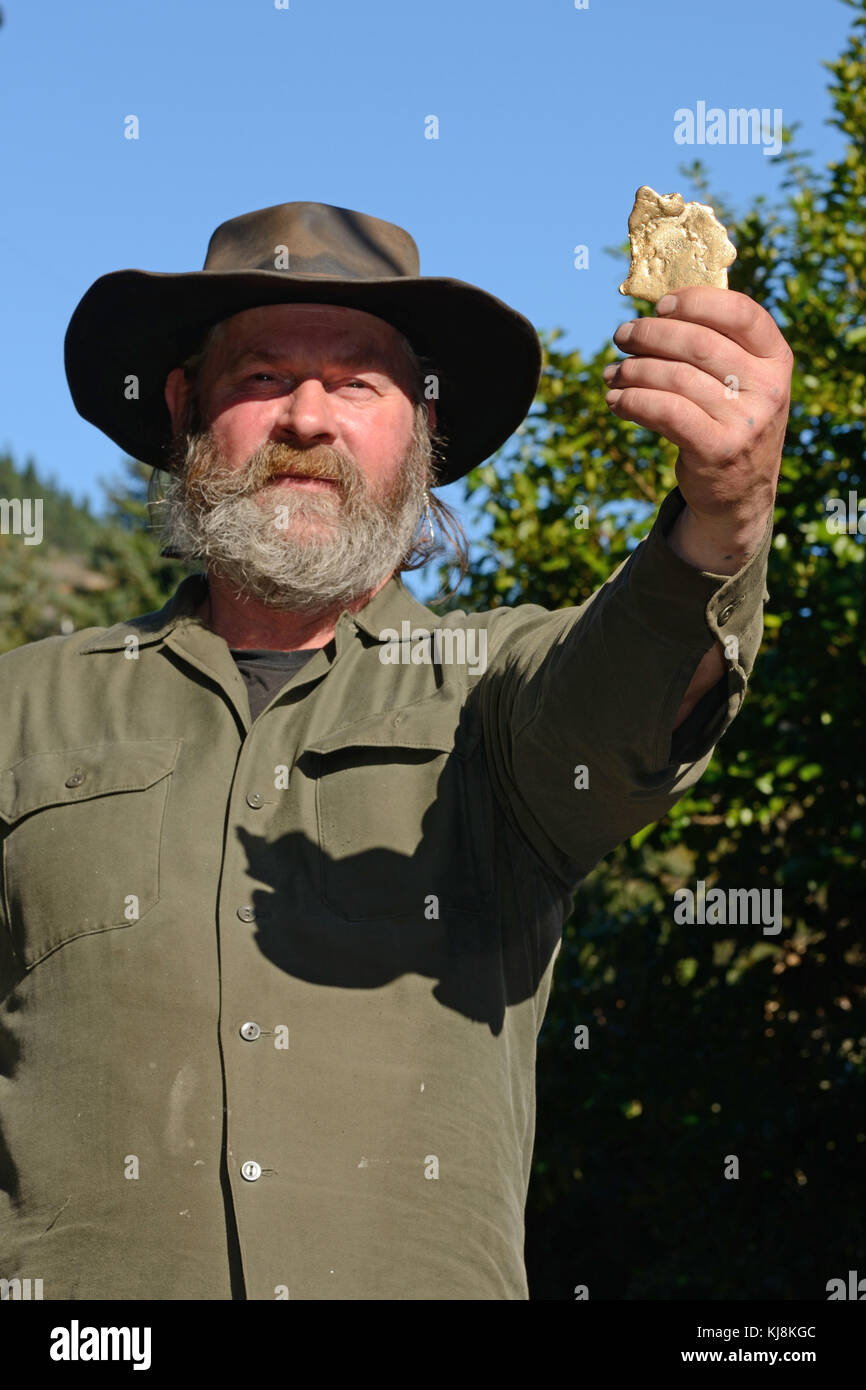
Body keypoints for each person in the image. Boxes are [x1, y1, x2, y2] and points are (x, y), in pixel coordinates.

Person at [0, 201, 792, 1300]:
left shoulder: (494, 692)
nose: (307, 419)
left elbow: (621, 703)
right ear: (185, 406)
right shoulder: (22, 709)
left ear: (421, 430)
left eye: (358, 383)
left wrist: (723, 517)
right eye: (263, 376)